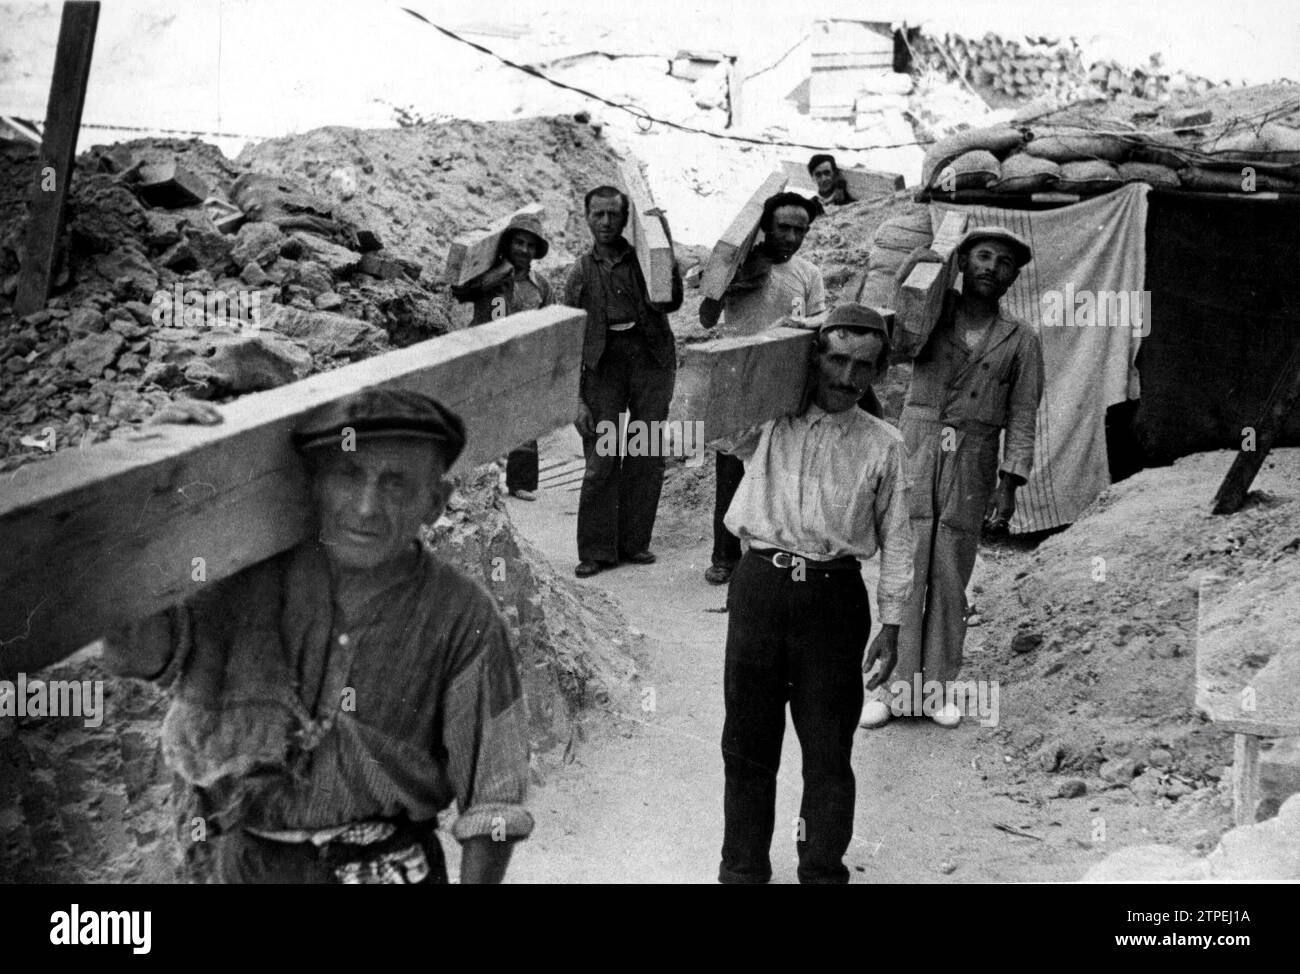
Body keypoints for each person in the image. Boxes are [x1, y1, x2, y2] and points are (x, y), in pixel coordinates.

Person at [103, 389, 534, 883]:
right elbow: (130, 648)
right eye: (349, 475)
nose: (367, 507)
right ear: (315, 484)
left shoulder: (462, 618)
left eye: (396, 484)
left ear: (434, 503)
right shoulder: (239, 583)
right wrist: (143, 482)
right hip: (244, 867)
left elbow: (495, 802)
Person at [717, 304, 914, 884]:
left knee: (828, 753)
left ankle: (823, 871)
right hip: (760, 588)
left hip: (832, 599)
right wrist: (779, 359)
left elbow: (900, 540)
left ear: (877, 374)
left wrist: (893, 624)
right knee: (747, 744)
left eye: (863, 366)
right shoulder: (766, 424)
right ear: (815, 356)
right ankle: (742, 870)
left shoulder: (883, 444)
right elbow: (714, 413)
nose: (847, 377)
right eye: (835, 358)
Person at [861, 226, 1043, 731]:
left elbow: (1023, 414)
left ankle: (936, 687)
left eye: (1004, 262)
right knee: (906, 557)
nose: (991, 267)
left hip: (975, 452)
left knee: (950, 567)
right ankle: (892, 689)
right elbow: (893, 341)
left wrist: (1010, 481)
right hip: (919, 441)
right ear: (961, 263)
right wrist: (914, 269)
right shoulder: (932, 315)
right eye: (982, 256)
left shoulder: (1021, 338)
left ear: (1014, 277)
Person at [698, 191, 827, 585]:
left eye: (799, 230)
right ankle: (724, 558)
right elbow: (706, 318)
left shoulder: (808, 274)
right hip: (738, 381)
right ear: (765, 227)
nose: (790, 237)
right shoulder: (740, 267)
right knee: (730, 472)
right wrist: (725, 281)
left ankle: (769, 556)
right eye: (783, 227)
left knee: (777, 473)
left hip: (784, 385)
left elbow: (819, 320)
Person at [564, 185, 683, 578]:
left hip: (650, 361)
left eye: (613, 215)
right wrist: (576, 398)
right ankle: (596, 550)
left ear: (626, 219)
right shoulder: (580, 271)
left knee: (645, 453)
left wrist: (663, 243)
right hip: (603, 365)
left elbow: (671, 301)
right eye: (597, 214)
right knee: (602, 458)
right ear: (587, 217)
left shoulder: (645, 262)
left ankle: (635, 543)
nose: (605, 222)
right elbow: (569, 339)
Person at [450, 211, 553, 501]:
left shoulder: (541, 286)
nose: (523, 249)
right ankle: (472, 479)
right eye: (518, 242)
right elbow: (459, 291)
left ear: (536, 252)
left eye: (530, 245)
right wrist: (497, 274)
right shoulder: (488, 276)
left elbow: (551, 322)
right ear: (507, 244)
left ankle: (521, 481)